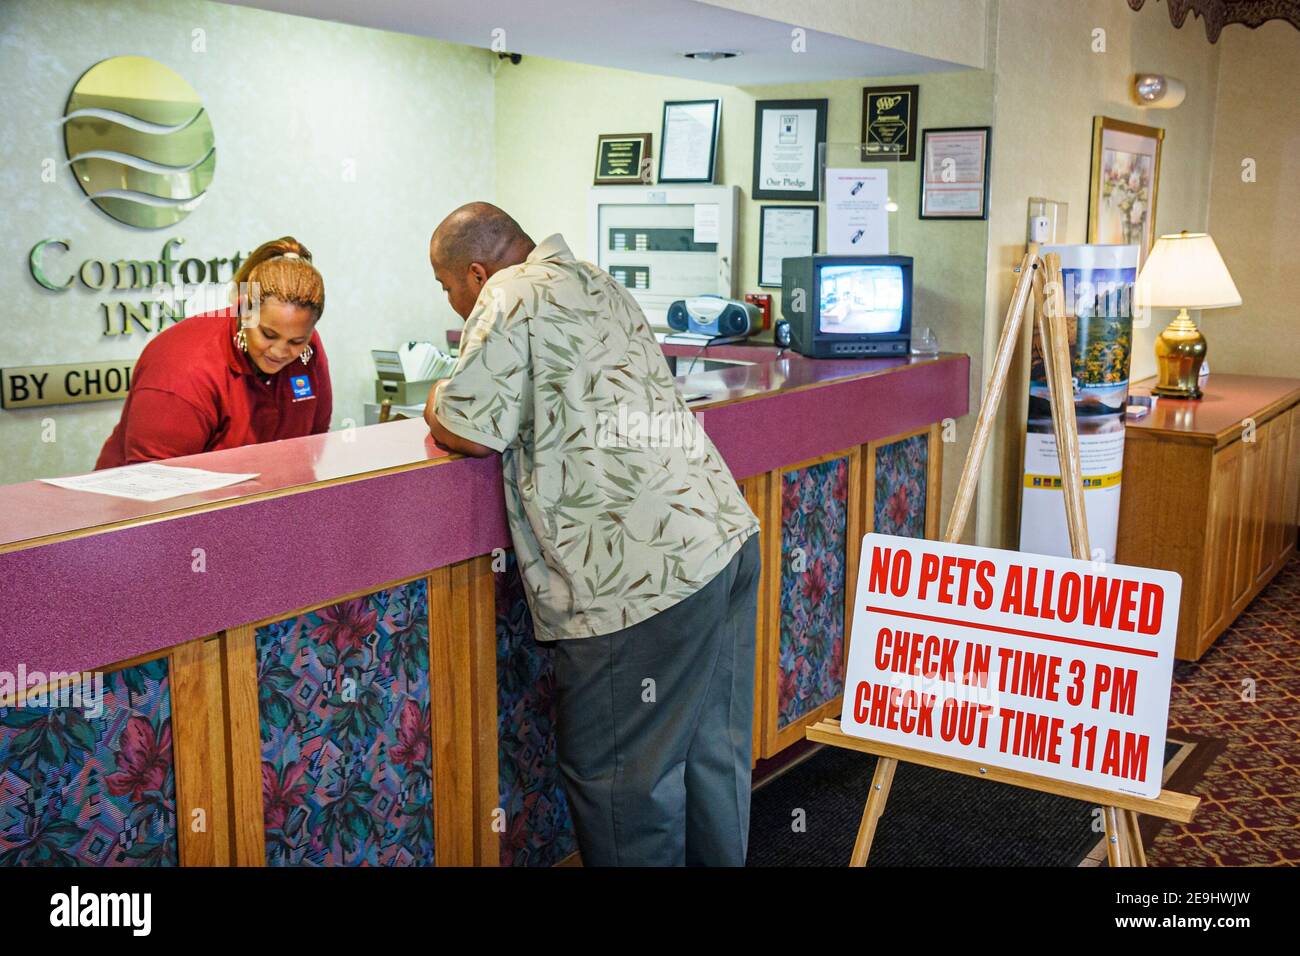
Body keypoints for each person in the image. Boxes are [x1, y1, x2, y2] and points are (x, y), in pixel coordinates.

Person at [425, 202, 760, 866]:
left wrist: (436, 399)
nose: (455, 303)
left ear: (474, 271)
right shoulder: (594, 279)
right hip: (720, 538)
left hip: (633, 578)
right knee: (709, 754)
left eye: (447, 289)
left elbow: (465, 423)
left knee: (624, 787)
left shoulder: (508, 292)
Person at [96, 237, 332, 469]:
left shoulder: (308, 349)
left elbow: (312, 444)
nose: (280, 351)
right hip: (151, 501)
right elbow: (155, 482)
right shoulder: (184, 369)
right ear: (243, 308)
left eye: (296, 340)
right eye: (268, 335)